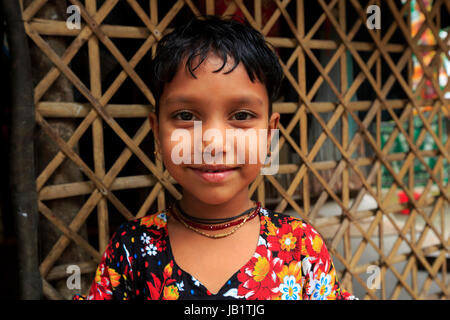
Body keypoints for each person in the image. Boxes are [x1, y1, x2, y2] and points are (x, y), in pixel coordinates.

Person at [74, 15, 356, 300]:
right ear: (157, 133)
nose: (213, 142)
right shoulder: (131, 248)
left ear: (270, 134)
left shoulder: (300, 247)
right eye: (186, 116)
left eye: (241, 116)